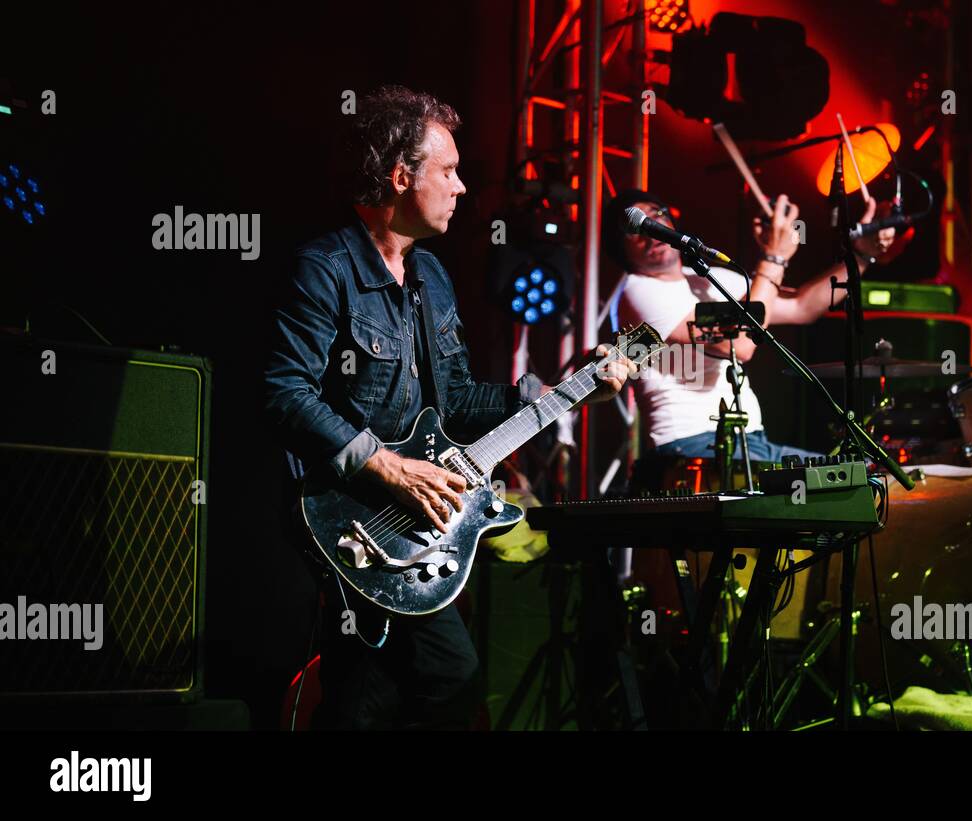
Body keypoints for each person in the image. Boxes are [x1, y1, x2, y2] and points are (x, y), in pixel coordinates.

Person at [264, 86, 632, 729]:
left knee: (367, 698)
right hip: (351, 523)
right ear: (402, 177)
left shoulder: (431, 276)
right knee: (451, 686)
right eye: (449, 170)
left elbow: (456, 400)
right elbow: (284, 391)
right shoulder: (325, 268)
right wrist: (387, 467)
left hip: (413, 534)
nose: (462, 188)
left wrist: (558, 390)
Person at [605, 188, 901, 462]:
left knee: (858, 475)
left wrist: (862, 255)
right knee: (835, 487)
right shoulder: (637, 289)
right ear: (621, 250)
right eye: (635, 230)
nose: (650, 232)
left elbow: (803, 307)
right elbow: (739, 344)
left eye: (655, 215)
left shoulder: (708, 278)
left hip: (748, 440)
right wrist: (774, 258)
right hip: (689, 444)